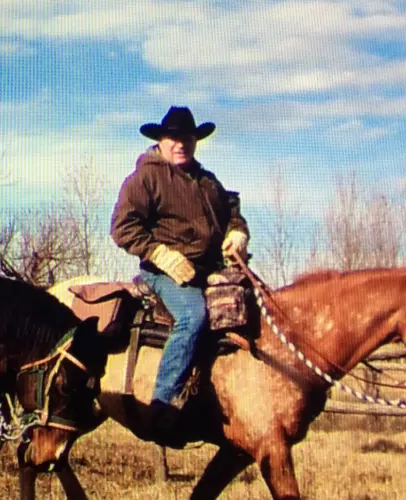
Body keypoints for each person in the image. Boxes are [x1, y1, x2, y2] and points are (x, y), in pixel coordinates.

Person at [110, 106, 249, 440]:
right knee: (193, 317)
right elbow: (122, 228)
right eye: (173, 137)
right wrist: (160, 254)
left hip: (208, 270)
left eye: (187, 137)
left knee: (253, 310)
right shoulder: (146, 177)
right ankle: (163, 403)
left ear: (195, 140)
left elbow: (232, 213)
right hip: (163, 272)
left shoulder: (208, 181)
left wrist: (237, 233)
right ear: (161, 140)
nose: (181, 144)